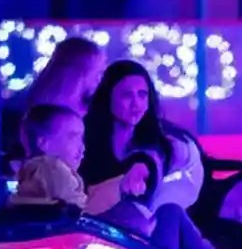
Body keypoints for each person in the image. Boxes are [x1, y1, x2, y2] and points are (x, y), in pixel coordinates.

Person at [13, 103, 242, 249]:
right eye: (72, 136)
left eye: (82, 137)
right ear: (44, 143)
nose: (81, 146)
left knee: (169, 213)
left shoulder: (32, 175)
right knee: (171, 213)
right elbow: (80, 219)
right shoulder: (51, 168)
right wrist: (128, 216)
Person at [80, 60, 204, 214]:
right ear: (108, 97)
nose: (136, 104)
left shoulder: (165, 141)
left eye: (142, 95)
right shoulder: (84, 139)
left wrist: (144, 167)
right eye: (127, 95)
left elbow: (160, 161)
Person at [24, 37, 106, 117]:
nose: (99, 78)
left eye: (100, 72)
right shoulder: (40, 111)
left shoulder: (95, 106)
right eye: (97, 72)